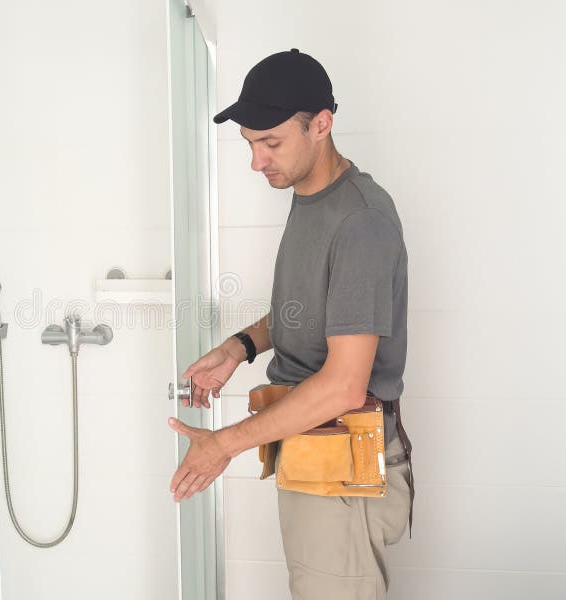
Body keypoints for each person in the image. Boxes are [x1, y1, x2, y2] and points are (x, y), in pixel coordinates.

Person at [167, 49, 413, 599]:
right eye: (250, 144)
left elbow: (345, 383)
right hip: (312, 454)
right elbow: (306, 312)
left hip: (344, 466)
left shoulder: (361, 222)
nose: (257, 162)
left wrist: (223, 444)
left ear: (321, 125)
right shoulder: (309, 198)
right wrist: (239, 346)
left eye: (270, 142)